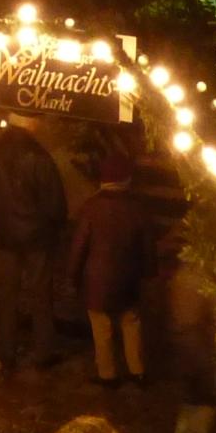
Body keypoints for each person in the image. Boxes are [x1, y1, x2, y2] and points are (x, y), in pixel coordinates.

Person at [0, 122, 68, 374]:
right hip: (38, 237)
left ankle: (7, 351)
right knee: (41, 294)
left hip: (5, 235)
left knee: (7, 295)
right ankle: (43, 351)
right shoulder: (39, 157)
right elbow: (55, 204)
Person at [65, 153, 152, 387]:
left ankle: (107, 374)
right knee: (131, 323)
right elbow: (147, 245)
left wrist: (72, 275)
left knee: (101, 328)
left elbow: (79, 246)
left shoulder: (91, 208)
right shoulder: (138, 208)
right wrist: (148, 272)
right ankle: (137, 370)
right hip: (128, 278)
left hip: (97, 280)